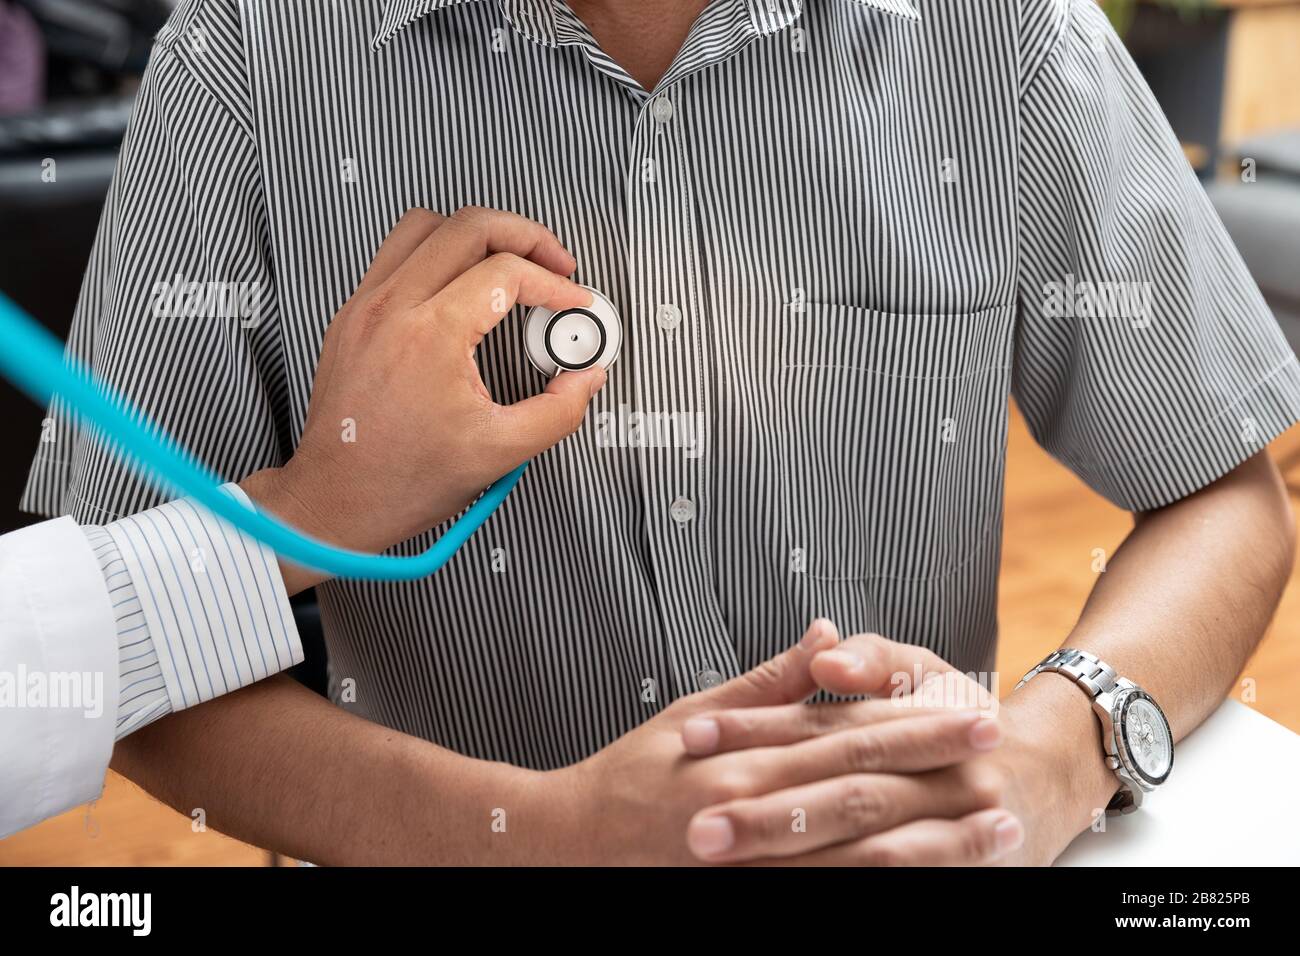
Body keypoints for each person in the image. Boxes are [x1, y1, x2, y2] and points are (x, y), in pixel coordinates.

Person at [20, 0, 1300, 864]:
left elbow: (1221, 489)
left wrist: (1057, 751)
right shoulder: (247, 52)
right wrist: (540, 834)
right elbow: (126, 677)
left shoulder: (1003, 33)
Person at [0, 210, 609, 838]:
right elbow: (126, 709)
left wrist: (309, 510)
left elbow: (89, 678)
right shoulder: (229, 117)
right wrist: (536, 836)